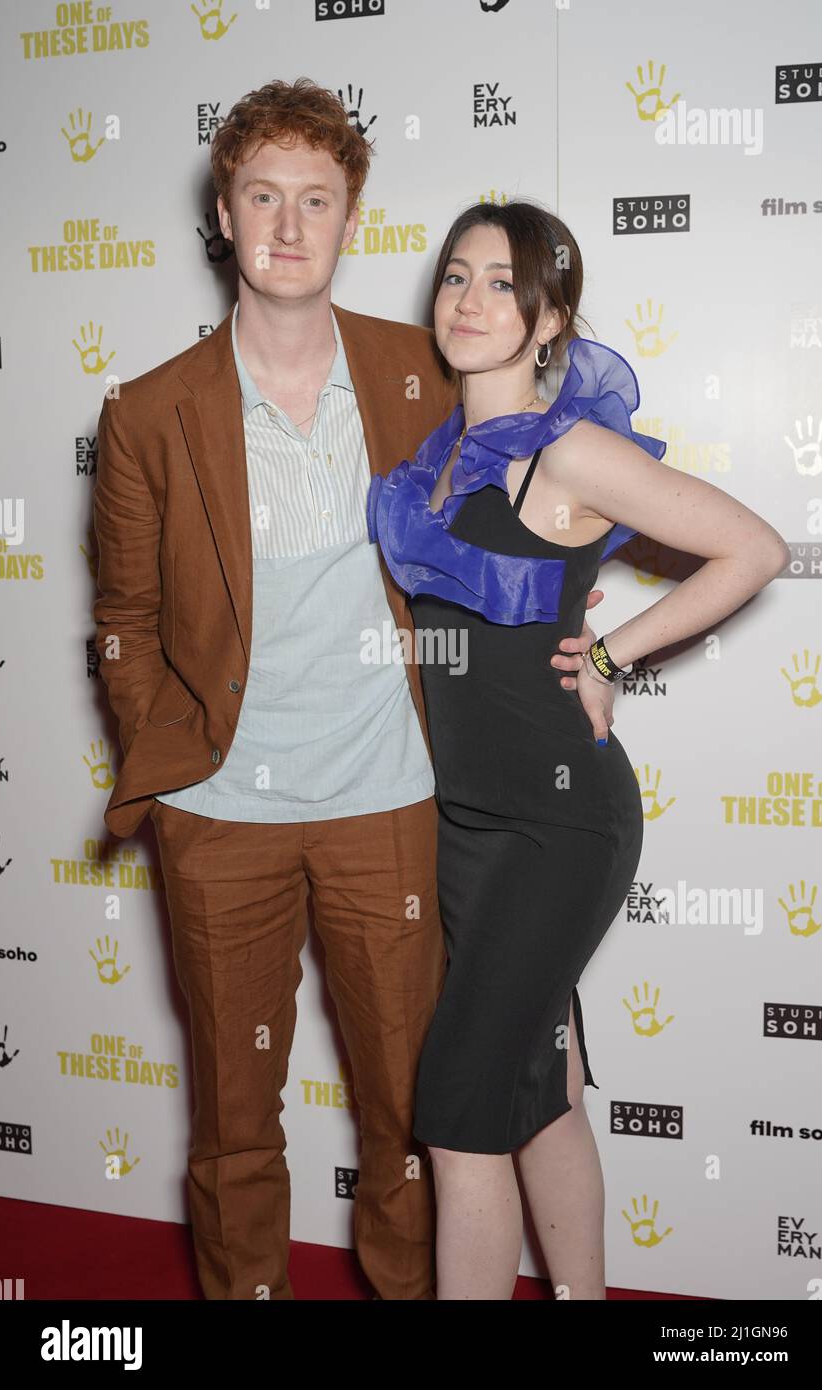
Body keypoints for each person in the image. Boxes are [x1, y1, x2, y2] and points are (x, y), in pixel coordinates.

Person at [91, 77, 599, 1301]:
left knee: (410, 1128)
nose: (286, 224)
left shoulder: (420, 370)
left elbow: (555, 495)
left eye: (315, 199)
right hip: (221, 824)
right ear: (223, 210)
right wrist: (178, 767)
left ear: (349, 217)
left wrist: (591, 648)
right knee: (232, 1134)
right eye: (262, 195)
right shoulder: (149, 412)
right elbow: (123, 626)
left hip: (393, 805)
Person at [367, 198, 791, 1300]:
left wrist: (612, 658)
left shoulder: (568, 450)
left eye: (500, 283)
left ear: (549, 315)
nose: (466, 299)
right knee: (536, 1089)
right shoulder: (437, 456)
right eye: (454, 275)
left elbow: (751, 546)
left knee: (460, 1119)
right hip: (465, 826)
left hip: (561, 825)